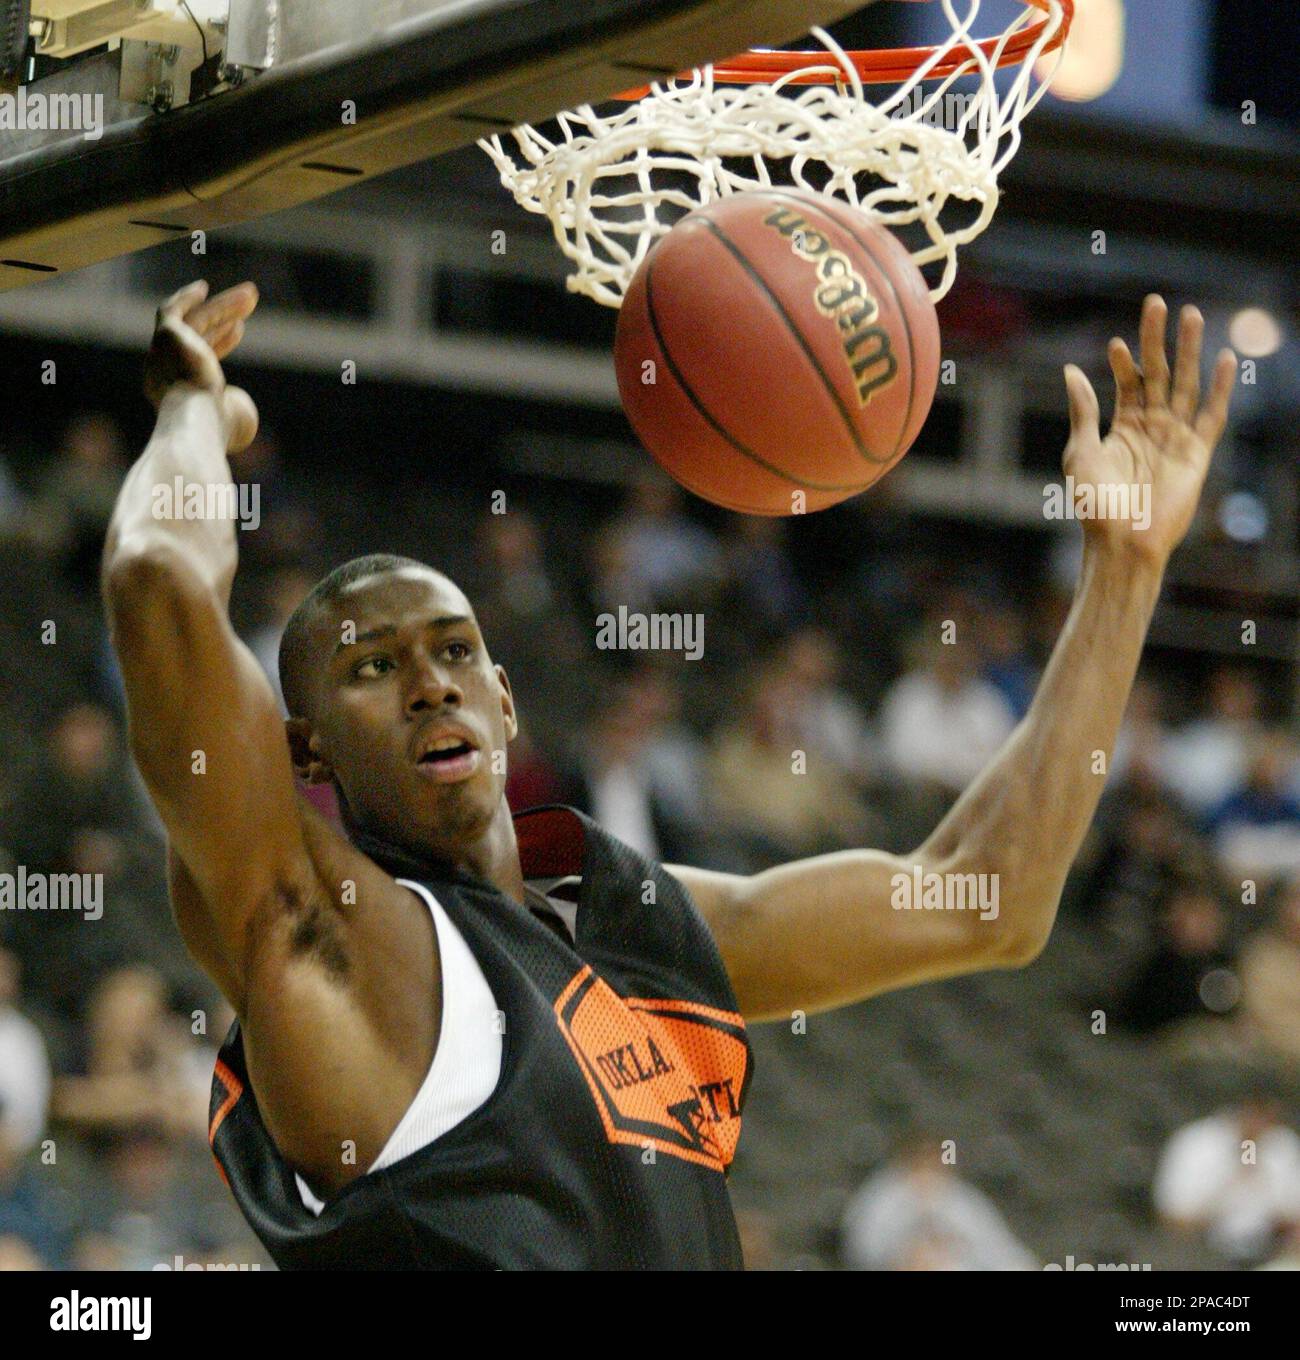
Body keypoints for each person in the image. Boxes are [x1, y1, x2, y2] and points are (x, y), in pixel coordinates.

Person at [99, 280, 1235, 1269]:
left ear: (505, 699)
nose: (428, 684)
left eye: (453, 651)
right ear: (307, 749)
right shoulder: (321, 934)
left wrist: (1126, 566)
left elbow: (989, 895)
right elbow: (158, 579)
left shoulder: (632, 925)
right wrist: (199, 409)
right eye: (371, 667)